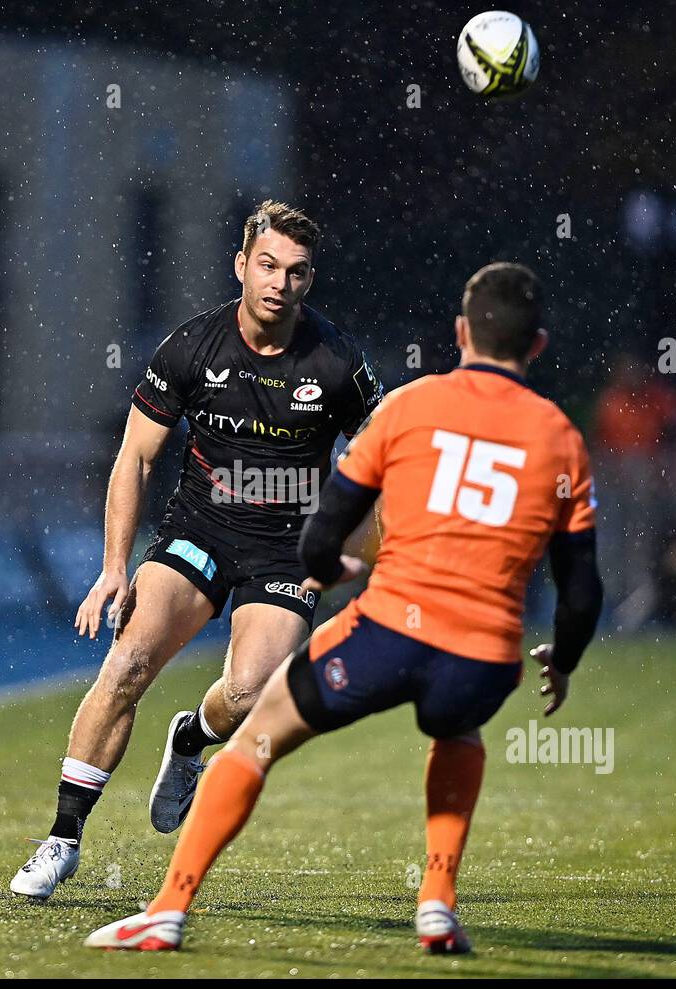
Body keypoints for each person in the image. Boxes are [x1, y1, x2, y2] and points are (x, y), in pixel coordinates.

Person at [84, 262, 603, 953]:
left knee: (259, 735)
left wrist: (328, 572)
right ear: (536, 346)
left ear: (460, 333)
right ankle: (437, 903)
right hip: (481, 652)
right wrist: (562, 661)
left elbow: (326, 527)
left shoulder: (413, 405)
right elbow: (582, 585)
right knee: (458, 733)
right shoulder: (560, 438)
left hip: (387, 631)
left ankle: (167, 909)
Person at [10, 201, 383, 899]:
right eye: (267, 265)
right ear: (241, 265)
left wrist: (346, 561)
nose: (279, 282)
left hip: (288, 550)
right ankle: (61, 840)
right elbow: (135, 459)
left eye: (296, 272)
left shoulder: (339, 363)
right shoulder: (191, 347)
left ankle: (191, 742)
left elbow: (382, 471)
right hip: (197, 533)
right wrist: (115, 568)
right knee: (127, 663)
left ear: (310, 282)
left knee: (249, 694)